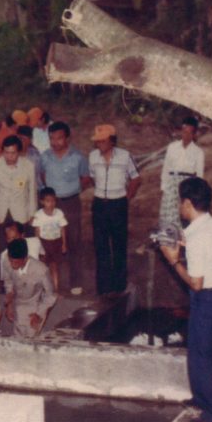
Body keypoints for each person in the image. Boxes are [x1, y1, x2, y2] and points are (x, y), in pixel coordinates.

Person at [159, 177, 212, 422]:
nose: (180, 206)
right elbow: (200, 242)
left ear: (188, 203)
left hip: (207, 297)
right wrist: (180, 243)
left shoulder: (198, 238)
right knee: (200, 348)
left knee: (201, 355)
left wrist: (173, 260)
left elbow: (195, 282)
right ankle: (200, 398)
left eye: (181, 202)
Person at [88, 124, 141, 296]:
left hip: (118, 205)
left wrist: (128, 196)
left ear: (112, 141)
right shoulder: (92, 157)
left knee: (119, 244)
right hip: (99, 206)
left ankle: (119, 286)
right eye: (97, 141)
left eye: (103, 141)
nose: (99, 145)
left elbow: (135, 178)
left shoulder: (125, 156)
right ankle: (104, 288)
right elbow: (93, 178)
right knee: (101, 246)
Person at [40, 121, 91, 294]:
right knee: (49, 241)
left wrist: (72, 190)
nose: (55, 142)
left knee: (73, 240)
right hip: (50, 205)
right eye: (51, 138)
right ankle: (51, 282)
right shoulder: (45, 156)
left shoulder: (78, 157)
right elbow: (42, 175)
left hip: (71, 203)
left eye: (59, 138)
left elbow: (85, 178)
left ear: (67, 138)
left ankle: (76, 282)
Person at [0, 135, 38, 245]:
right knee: (3, 243)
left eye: (13, 153)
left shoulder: (28, 166)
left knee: (22, 243)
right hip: (2, 212)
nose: (9, 156)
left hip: (21, 211)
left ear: (19, 152)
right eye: (6, 152)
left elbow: (32, 191)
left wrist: (32, 213)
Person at [3, 239, 57, 338]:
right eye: (10, 261)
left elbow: (51, 295)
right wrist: (9, 305)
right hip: (18, 306)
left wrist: (39, 313)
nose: (12, 265)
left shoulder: (41, 270)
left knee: (32, 339)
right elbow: (8, 282)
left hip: (35, 307)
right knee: (17, 339)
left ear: (25, 258)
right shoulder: (6, 263)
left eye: (15, 262)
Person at [159, 116, 205, 230]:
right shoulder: (172, 147)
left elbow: (199, 175)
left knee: (185, 215)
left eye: (190, 133)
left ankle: (184, 244)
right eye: (184, 132)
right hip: (171, 184)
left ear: (194, 134)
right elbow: (166, 168)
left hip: (187, 185)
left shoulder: (198, 152)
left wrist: (195, 194)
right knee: (168, 216)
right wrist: (164, 187)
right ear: (181, 131)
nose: (186, 135)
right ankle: (169, 242)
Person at [33, 187, 68, 293]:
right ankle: (42, 290)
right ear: (42, 202)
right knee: (43, 268)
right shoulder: (39, 215)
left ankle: (56, 289)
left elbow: (63, 229)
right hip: (44, 243)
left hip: (56, 242)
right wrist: (38, 247)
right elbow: (37, 232)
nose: (51, 203)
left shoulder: (59, 213)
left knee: (54, 266)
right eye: (48, 201)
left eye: (53, 200)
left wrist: (64, 244)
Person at [15, 125, 44, 189]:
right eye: (20, 139)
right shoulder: (10, 154)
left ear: (30, 140)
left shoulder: (35, 155)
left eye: (24, 139)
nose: (22, 142)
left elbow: (39, 175)